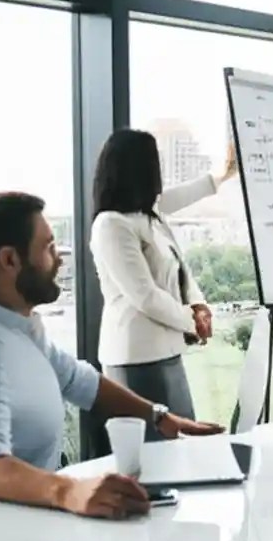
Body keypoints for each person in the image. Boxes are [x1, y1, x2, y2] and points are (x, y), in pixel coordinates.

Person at [0, 191, 223, 519]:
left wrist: (160, 418)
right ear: (9, 260)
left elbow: (80, 381)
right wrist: (68, 491)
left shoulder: (16, 327)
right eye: (48, 247)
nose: (60, 259)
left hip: (24, 526)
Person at [89, 129, 237, 441]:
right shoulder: (112, 224)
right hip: (135, 357)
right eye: (153, 162)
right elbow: (145, 296)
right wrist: (191, 320)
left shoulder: (148, 214)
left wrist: (199, 306)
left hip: (166, 350)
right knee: (154, 455)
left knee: (182, 447)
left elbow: (179, 265)